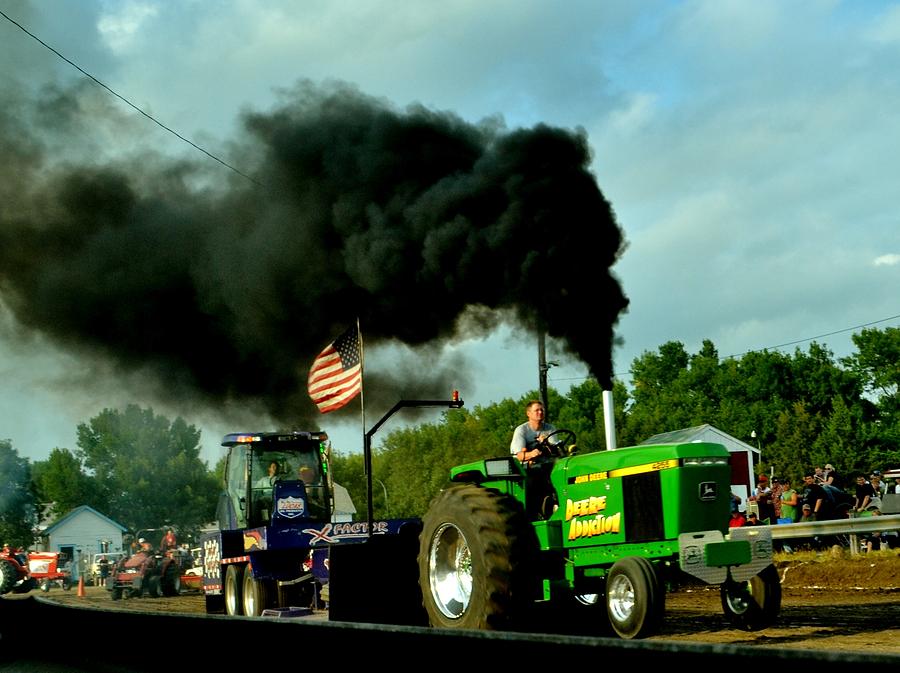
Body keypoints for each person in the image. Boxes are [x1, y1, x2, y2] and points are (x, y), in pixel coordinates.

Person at [509, 399, 557, 465]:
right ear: (528, 413)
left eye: (542, 410)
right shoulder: (521, 430)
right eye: (537, 410)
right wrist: (531, 454)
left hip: (546, 464)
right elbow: (519, 456)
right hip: (526, 466)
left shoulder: (550, 428)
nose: (540, 412)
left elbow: (555, 452)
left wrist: (547, 443)